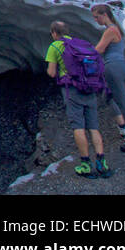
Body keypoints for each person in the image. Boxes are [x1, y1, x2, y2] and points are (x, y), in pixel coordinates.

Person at [46, 21, 110, 178]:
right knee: (93, 127)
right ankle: (102, 163)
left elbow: (51, 72)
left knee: (78, 127)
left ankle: (85, 164)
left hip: (72, 90)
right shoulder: (81, 44)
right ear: (67, 31)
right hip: (89, 88)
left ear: (54, 33)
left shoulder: (54, 46)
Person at [91, 5, 125, 151]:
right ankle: (124, 129)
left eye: (97, 16)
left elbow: (99, 50)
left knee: (122, 102)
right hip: (118, 66)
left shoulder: (110, 30)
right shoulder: (115, 28)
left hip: (113, 68)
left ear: (105, 15)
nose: (95, 20)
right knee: (108, 97)